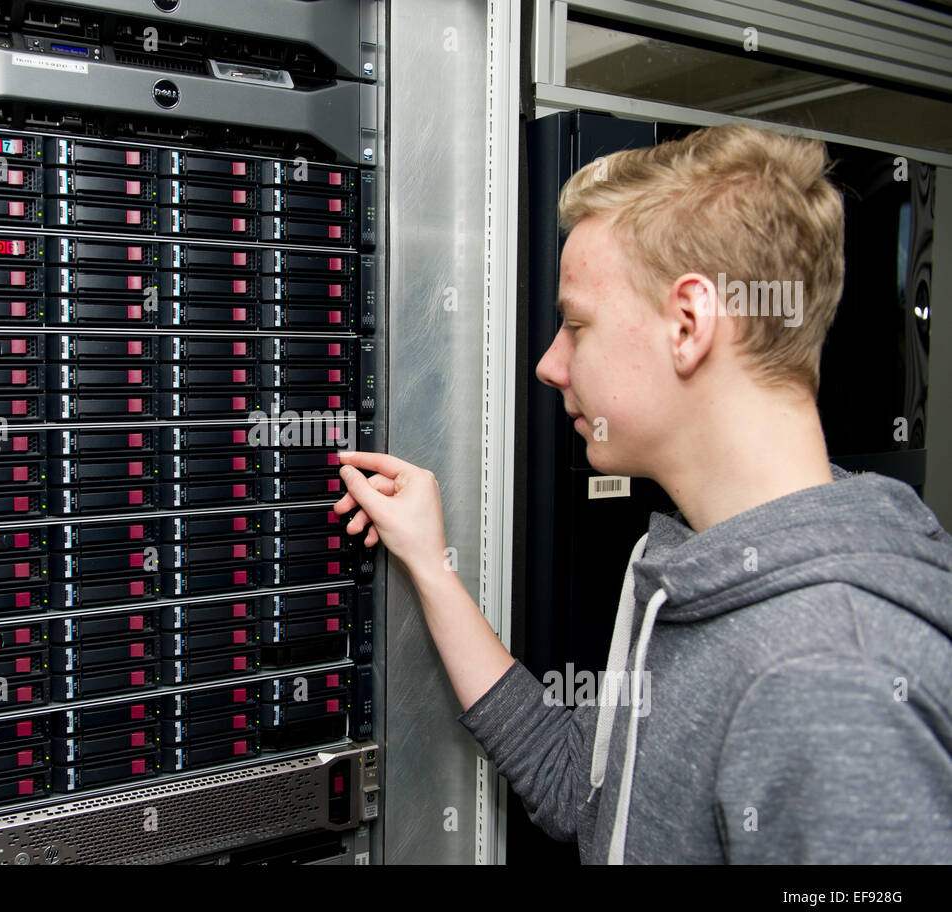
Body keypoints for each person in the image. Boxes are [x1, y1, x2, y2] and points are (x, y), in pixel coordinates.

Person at [333, 123, 952, 864]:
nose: (549, 364)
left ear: (687, 325)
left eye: (576, 323)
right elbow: (580, 788)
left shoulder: (832, 675)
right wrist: (432, 568)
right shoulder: (688, 564)